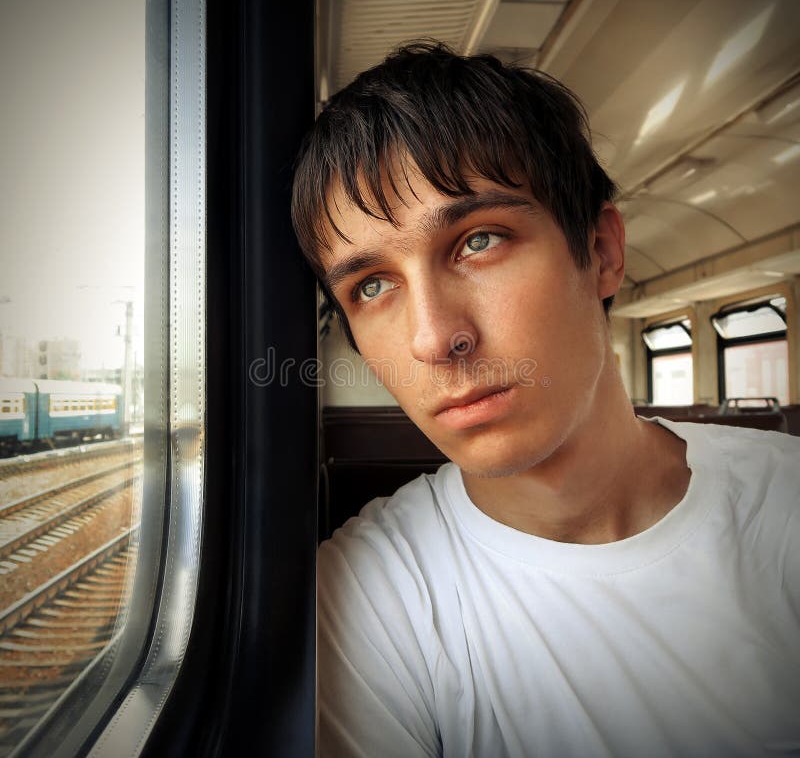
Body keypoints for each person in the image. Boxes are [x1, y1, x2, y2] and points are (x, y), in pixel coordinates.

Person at [291, 43, 800, 757]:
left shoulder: (786, 505)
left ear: (600, 251)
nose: (434, 339)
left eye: (479, 241)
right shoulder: (360, 601)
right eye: (371, 286)